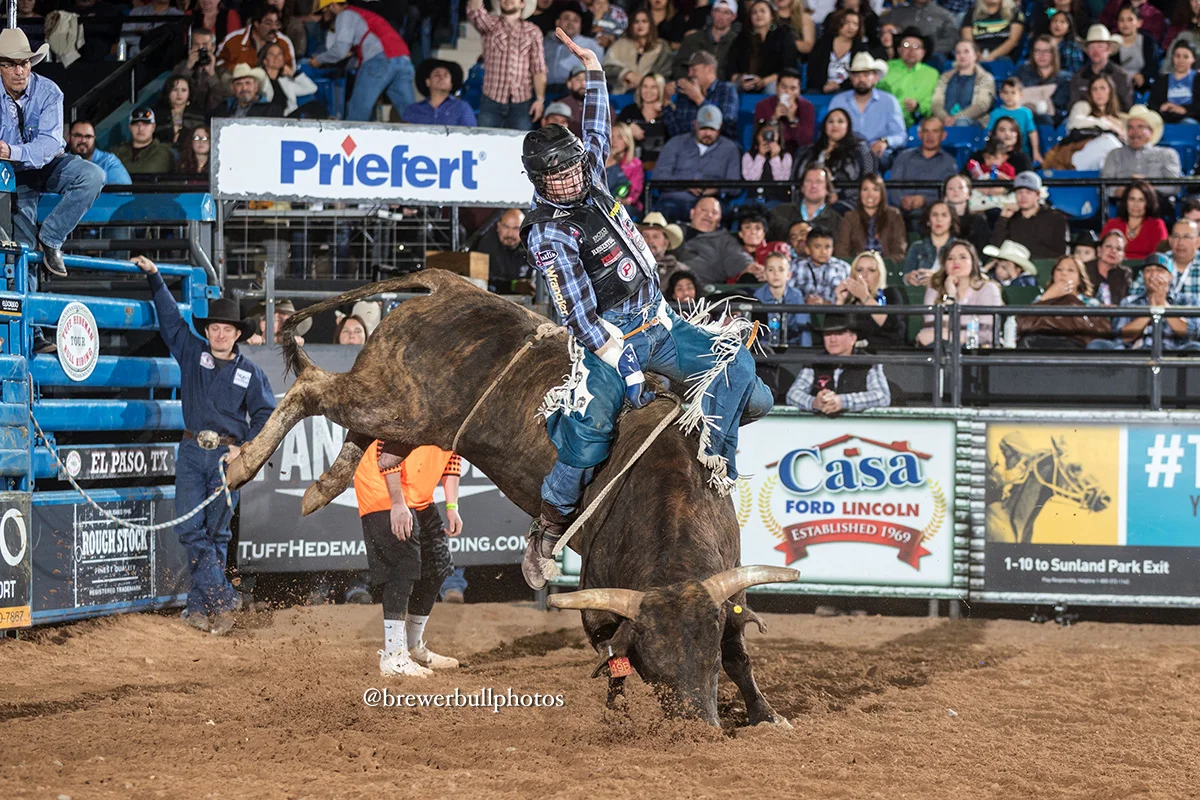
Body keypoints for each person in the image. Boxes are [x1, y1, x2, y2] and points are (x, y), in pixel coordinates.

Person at [518, 30, 773, 588]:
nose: (568, 179)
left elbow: (595, 133)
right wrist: (624, 362)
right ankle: (550, 522)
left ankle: (714, 464)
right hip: (608, 339)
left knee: (752, 386)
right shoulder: (548, 233)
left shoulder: (588, 177)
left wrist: (596, 73)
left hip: (661, 320)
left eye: (571, 169)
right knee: (588, 438)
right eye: (556, 176)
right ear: (539, 181)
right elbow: (579, 315)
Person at [133, 255, 275, 636]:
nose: (219, 334)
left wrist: (243, 448)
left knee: (216, 533)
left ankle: (199, 609)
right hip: (194, 452)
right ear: (208, 331)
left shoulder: (251, 373)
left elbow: (266, 415)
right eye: (214, 328)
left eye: (226, 329)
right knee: (191, 528)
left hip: (227, 459)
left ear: (237, 334)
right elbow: (170, 321)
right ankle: (224, 599)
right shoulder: (193, 354)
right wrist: (156, 278)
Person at [1, 28, 104, 285]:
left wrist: (12, 151)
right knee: (23, 249)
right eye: (11, 65)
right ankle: (29, 320)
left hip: (48, 163)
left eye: (24, 63)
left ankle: (51, 238)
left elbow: (48, 144)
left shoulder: (49, 92)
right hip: (9, 175)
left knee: (92, 176)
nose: (20, 71)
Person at [353, 441, 462, 676]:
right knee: (401, 571)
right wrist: (397, 504)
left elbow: (453, 458)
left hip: (419, 496)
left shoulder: (456, 412)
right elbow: (387, 447)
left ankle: (412, 648)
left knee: (438, 567)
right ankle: (393, 656)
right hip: (383, 492)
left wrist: (452, 506)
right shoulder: (420, 406)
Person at [308, 0, 414, 122]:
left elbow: (340, 51)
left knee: (357, 114)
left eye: (323, 12)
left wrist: (319, 59)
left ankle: (352, 140)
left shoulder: (345, 14)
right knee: (410, 115)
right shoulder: (361, 14)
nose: (323, 18)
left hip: (381, 60)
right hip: (403, 58)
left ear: (332, 6)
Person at [651, 105, 741, 222]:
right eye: (703, 128)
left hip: (712, 202)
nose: (707, 133)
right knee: (665, 210)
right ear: (695, 124)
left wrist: (716, 188)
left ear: (720, 127)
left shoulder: (730, 149)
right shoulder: (675, 143)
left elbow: (735, 186)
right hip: (675, 200)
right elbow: (658, 177)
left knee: (721, 213)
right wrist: (687, 183)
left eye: (712, 129)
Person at [785, 315, 892, 413]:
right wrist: (814, 402)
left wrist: (842, 401)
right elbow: (792, 394)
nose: (832, 339)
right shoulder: (814, 362)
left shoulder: (869, 363)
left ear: (853, 338)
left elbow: (882, 396)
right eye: (828, 334)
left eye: (839, 333)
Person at [467, 0, 547, 131]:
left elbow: (538, 68)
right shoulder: (491, 24)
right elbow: (475, 12)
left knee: (519, 145)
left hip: (522, 100)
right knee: (485, 142)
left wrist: (540, 100)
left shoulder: (533, 31)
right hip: (491, 98)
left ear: (522, 3)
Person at [1090, 256, 1200, 350]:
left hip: (1174, 355)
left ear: (1170, 276)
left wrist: (1162, 304)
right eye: (1148, 270)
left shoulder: (1186, 300)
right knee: (1097, 345)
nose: (1153, 275)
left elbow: (1191, 333)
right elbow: (1122, 336)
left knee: (1195, 347)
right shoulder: (1130, 301)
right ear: (1143, 276)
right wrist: (1151, 308)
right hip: (1137, 355)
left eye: (1159, 270)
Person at [916, 239, 1004, 346]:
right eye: (950, 258)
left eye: (963, 257)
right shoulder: (934, 289)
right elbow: (931, 327)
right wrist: (950, 296)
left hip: (977, 352)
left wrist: (956, 337)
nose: (956, 262)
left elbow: (987, 334)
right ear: (944, 264)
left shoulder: (988, 289)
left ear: (973, 262)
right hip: (941, 350)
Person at [829, 53, 906, 170]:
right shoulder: (839, 101)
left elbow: (900, 135)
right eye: (857, 75)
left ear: (875, 78)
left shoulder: (889, 101)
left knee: (870, 159)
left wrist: (885, 141)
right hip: (845, 151)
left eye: (866, 75)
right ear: (851, 78)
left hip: (877, 154)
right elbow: (828, 130)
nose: (861, 80)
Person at [792, 108, 877, 210]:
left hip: (847, 202)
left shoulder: (861, 150)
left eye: (840, 121)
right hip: (809, 200)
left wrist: (840, 195)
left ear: (848, 126)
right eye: (831, 121)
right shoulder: (807, 152)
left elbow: (868, 181)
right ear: (824, 126)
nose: (835, 125)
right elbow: (796, 181)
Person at [1019, 254, 1107, 348]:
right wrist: (1047, 297)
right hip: (1040, 340)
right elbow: (1024, 323)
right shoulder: (1042, 298)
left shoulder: (1090, 303)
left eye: (1070, 270)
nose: (1063, 273)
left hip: (1072, 344)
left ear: (1080, 279)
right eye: (1059, 269)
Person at [1101, 105, 1182, 200]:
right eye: (1130, 127)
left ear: (1151, 132)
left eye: (1140, 127)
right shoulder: (1115, 155)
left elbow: (1174, 187)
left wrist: (1145, 187)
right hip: (1122, 204)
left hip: (1157, 204)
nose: (1135, 132)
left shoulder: (1167, 154)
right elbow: (1103, 186)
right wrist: (1122, 192)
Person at [888, 118, 959, 217]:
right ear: (919, 134)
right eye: (926, 131)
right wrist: (901, 200)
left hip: (932, 214)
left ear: (943, 136)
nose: (930, 136)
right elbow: (893, 185)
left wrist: (925, 200)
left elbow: (949, 194)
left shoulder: (949, 162)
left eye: (935, 131)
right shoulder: (904, 157)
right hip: (901, 212)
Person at [836, 250, 906, 348]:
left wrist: (865, 297)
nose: (864, 275)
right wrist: (840, 301)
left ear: (879, 274)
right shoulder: (849, 300)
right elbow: (833, 332)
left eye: (871, 270)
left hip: (884, 353)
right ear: (853, 274)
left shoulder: (890, 294)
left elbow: (891, 326)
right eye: (859, 270)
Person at [675, 196, 753, 284]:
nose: (709, 215)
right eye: (704, 210)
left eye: (714, 212)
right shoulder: (674, 231)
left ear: (719, 221)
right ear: (692, 213)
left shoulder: (725, 241)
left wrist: (752, 268)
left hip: (705, 290)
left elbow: (741, 260)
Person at [664, 50, 739, 140]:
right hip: (687, 148)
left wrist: (700, 100)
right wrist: (666, 101)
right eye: (688, 70)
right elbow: (676, 132)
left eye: (694, 69)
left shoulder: (726, 89)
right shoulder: (685, 94)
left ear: (709, 69)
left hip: (719, 146)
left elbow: (728, 125)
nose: (689, 74)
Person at [990, 171, 1068, 259]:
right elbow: (995, 248)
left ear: (1038, 195)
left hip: (1044, 266)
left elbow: (1060, 251)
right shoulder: (1011, 217)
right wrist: (1003, 219)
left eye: (1028, 192)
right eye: (1019, 192)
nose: (1023, 197)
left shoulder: (1055, 218)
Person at [728, 0, 798, 94]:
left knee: (773, 88)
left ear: (772, 16)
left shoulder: (783, 36)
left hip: (771, 82)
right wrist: (741, 79)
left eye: (762, 11)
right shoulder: (741, 39)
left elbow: (788, 67)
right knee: (728, 88)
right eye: (754, 12)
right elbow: (731, 68)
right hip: (745, 83)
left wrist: (763, 82)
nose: (758, 15)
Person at [835, 174, 907, 259]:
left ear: (882, 193)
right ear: (860, 193)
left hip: (887, 267)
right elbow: (841, 251)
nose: (870, 195)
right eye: (865, 189)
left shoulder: (894, 215)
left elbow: (899, 250)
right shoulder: (849, 217)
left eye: (875, 189)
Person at [878, 28, 939, 128]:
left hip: (917, 122)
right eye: (906, 45)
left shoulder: (932, 74)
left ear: (923, 52)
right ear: (899, 50)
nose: (911, 50)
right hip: (884, 119)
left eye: (916, 46)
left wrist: (918, 106)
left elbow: (933, 104)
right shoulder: (885, 68)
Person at [603, 9, 673, 94]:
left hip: (652, 94)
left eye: (644, 21)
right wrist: (626, 74)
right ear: (631, 25)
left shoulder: (662, 47)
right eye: (636, 22)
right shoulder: (619, 44)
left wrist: (644, 82)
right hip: (622, 93)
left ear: (651, 25)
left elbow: (666, 73)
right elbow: (605, 68)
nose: (640, 25)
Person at [932, 39, 996, 126]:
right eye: (958, 52)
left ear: (976, 55)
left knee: (961, 123)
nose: (962, 55)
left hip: (972, 121)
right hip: (944, 120)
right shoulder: (944, 77)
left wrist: (956, 118)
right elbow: (936, 102)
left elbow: (982, 105)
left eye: (966, 52)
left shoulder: (985, 78)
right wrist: (945, 118)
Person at [753, 251, 811, 347]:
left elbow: (803, 327)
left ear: (788, 275)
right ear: (765, 274)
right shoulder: (758, 296)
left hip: (791, 346)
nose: (776, 274)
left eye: (781, 269)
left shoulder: (796, 296)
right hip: (764, 347)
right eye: (771, 270)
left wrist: (807, 356)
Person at [770, 164, 843, 242]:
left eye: (819, 182)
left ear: (828, 189)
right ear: (802, 187)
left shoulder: (836, 221)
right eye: (809, 181)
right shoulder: (780, 212)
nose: (813, 185)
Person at [1100, 179, 1168, 261]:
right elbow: (1102, 253)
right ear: (1126, 201)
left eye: (1141, 200)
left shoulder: (1156, 225)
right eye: (1132, 199)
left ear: (1148, 203)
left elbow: (1160, 257)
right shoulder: (1112, 224)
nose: (1136, 205)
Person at [1068, 25, 1133, 111]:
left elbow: (1126, 106)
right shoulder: (1079, 76)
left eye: (1100, 46)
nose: (1095, 51)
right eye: (1092, 47)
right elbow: (1073, 105)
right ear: (1087, 51)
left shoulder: (1121, 76)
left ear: (1109, 49)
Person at [671, 0, 739, 81]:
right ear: (712, 13)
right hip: (693, 85)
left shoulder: (737, 42)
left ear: (734, 17)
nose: (721, 16)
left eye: (726, 13)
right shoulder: (693, 39)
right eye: (718, 11)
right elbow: (678, 66)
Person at [542, 3, 604, 92]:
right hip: (544, 91)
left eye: (575, 20)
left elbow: (597, 76)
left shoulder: (593, 46)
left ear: (580, 26)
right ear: (557, 22)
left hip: (575, 93)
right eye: (566, 18)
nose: (570, 23)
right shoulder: (544, 43)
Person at [752, 68, 815, 155]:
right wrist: (774, 119)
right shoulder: (762, 105)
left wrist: (792, 120)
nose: (788, 92)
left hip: (795, 152)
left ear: (799, 90)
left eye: (793, 88)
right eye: (783, 87)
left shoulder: (807, 107)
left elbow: (806, 142)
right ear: (776, 87)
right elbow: (757, 138)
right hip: (769, 150)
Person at [806, 8, 867, 93]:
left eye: (855, 24)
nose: (851, 27)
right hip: (821, 87)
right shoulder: (823, 44)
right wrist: (824, 85)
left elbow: (860, 74)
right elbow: (812, 70)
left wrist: (839, 86)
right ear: (838, 23)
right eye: (846, 22)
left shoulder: (860, 48)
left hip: (848, 88)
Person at [216, 7, 296, 71]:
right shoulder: (234, 39)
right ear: (256, 24)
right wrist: (238, 70)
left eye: (277, 24)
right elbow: (218, 63)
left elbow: (291, 70)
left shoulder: (283, 42)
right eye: (268, 23)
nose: (274, 28)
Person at [402, 59, 476, 126]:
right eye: (437, 75)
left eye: (446, 75)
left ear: (451, 84)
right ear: (428, 82)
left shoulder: (462, 108)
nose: (442, 77)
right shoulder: (414, 110)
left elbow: (470, 136)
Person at [1015, 33, 1071, 121]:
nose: (1041, 55)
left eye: (1046, 51)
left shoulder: (1064, 78)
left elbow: (1059, 109)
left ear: (1054, 54)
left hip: (1050, 120)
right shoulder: (1023, 71)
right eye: (1037, 51)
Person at [259, 40, 323, 119]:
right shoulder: (259, 79)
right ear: (265, 60)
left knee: (315, 105)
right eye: (271, 54)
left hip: (286, 119)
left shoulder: (286, 82)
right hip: (266, 117)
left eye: (279, 54)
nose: (276, 57)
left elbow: (312, 88)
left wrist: (294, 74)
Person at [790, 226, 852, 304]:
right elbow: (786, 294)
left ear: (833, 249)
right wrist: (804, 301)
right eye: (817, 247)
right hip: (801, 312)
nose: (824, 251)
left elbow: (850, 299)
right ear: (807, 249)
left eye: (827, 247)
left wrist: (825, 303)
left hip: (835, 313)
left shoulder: (843, 268)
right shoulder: (796, 266)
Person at [174, 27, 228, 115]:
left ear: (213, 47)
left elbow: (220, 100)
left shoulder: (222, 69)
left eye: (205, 45)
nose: (200, 48)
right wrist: (188, 68)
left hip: (211, 116)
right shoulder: (181, 67)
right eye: (196, 45)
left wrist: (212, 74)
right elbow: (173, 92)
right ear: (191, 47)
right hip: (184, 115)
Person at [618, 73, 669, 164]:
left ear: (661, 90)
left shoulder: (668, 112)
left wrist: (665, 110)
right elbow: (615, 133)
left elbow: (676, 136)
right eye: (645, 86)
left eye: (653, 87)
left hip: (662, 164)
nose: (648, 91)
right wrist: (628, 128)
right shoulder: (629, 110)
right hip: (632, 164)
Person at [988, 78, 1043, 163]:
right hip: (1000, 154)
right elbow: (991, 133)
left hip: (1021, 153)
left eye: (1013, 92)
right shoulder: (995, 113)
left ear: (1020, 95)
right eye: (1006, 93)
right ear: (1001, 95)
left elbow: (1032, 133)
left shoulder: (1026, 113)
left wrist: (1036, 152)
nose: (1009, 96)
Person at [478, 208, 531, 294]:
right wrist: (513, 285)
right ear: (498, 226)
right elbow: (484, 281)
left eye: (516, 228)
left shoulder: (531, 246)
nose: (510, 234)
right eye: (506, 227)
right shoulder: (487, 244)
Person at [903, 200, 958, 283]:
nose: (939, 219)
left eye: (944, 215)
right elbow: (905, 276)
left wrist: (937, 277)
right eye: (935, 215)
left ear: (951, 221)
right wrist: (909, 278)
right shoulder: (916, 248)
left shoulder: (960, 248)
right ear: (928, 221)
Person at [883, 0, 959, 56]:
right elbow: (882, 33)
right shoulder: (897, 13)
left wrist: (925, 50)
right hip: (899, 56)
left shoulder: (945, 15)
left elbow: (951, 40)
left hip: (933, 57)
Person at [1149, 40, 1200, 124]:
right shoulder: (1161, 81)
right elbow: (1152, 105)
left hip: (1191, 120)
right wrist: (1162, 107)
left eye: (1185, 57)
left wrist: (1184, 109)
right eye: (1177, 56)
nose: (1181, 60)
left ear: (1193, 59)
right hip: (1165, 119)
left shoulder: (1198, 79)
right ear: (1172, 57)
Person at [67, 120, 131, 186]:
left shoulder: (109, 162)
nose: (83, 140)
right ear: (68, 137)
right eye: (78, 135)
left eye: (88, 136)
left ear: (94, 139)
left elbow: (123, 194)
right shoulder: (61, 163)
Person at [1113, 5, 1158, 94]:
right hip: (1118, 87)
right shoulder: (1113, 41)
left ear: (1139, 22)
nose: (1125, 24)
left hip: (1143, 87)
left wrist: (1143, 76)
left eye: (1130, 20)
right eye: (1121, 20)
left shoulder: (1147, 40)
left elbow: (1153, 66)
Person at [961, 0, 1025, 62]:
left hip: (1003, 58)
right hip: (976, 57)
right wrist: (977, 55)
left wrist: (991, 56)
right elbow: (968, 41)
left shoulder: (1014, 13)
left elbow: (1013, 41)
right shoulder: (972, 13)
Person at [215, 63, 285, 118]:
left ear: (256, 87)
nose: (244, 88)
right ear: (233, 88)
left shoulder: (272, 110)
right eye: (238, 84)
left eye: (248, 83)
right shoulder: (224, 107)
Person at [943, 174, 992, 254]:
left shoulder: (978, 220)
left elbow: (984, 248)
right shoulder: (940, 221)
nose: (956, 191)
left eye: (960, 187)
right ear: (945, 195)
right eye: (951, 188)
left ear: (969, 194)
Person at [638, 211, 688, 285]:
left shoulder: (679, 271)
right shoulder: (630, 267)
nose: (650, 241)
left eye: (656, 237)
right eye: (645, 236)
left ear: (666, 243)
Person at [1085, 229, 1133, 304]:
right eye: (1108, 246)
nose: (1113, 251)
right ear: (1099, 250)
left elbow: (1127, 302)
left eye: (1118, 249)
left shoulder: (1124, 274)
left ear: (1123, 255)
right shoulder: (1084, 269)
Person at [155, 76, 205, 145]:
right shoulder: (158, 113)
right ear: (168, 92)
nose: (179, 94)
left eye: (183, 90)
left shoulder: (197, 114)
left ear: (189, 93)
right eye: (175, 90)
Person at [606, 122, 644, 211]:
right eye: (612, 137)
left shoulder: (635, 164)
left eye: (620, 138)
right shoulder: (602, 161)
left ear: (627, 141)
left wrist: (627, 200)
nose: (614, 141)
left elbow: (635, 190)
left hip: (625, 205)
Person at [1045, 7, 1087, 74]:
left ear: (1069, 27)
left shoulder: (1072, 47)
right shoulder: (1042, 44)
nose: (1057, 24)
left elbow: (1075, 71)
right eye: (1054, 21)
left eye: (1062, 22)